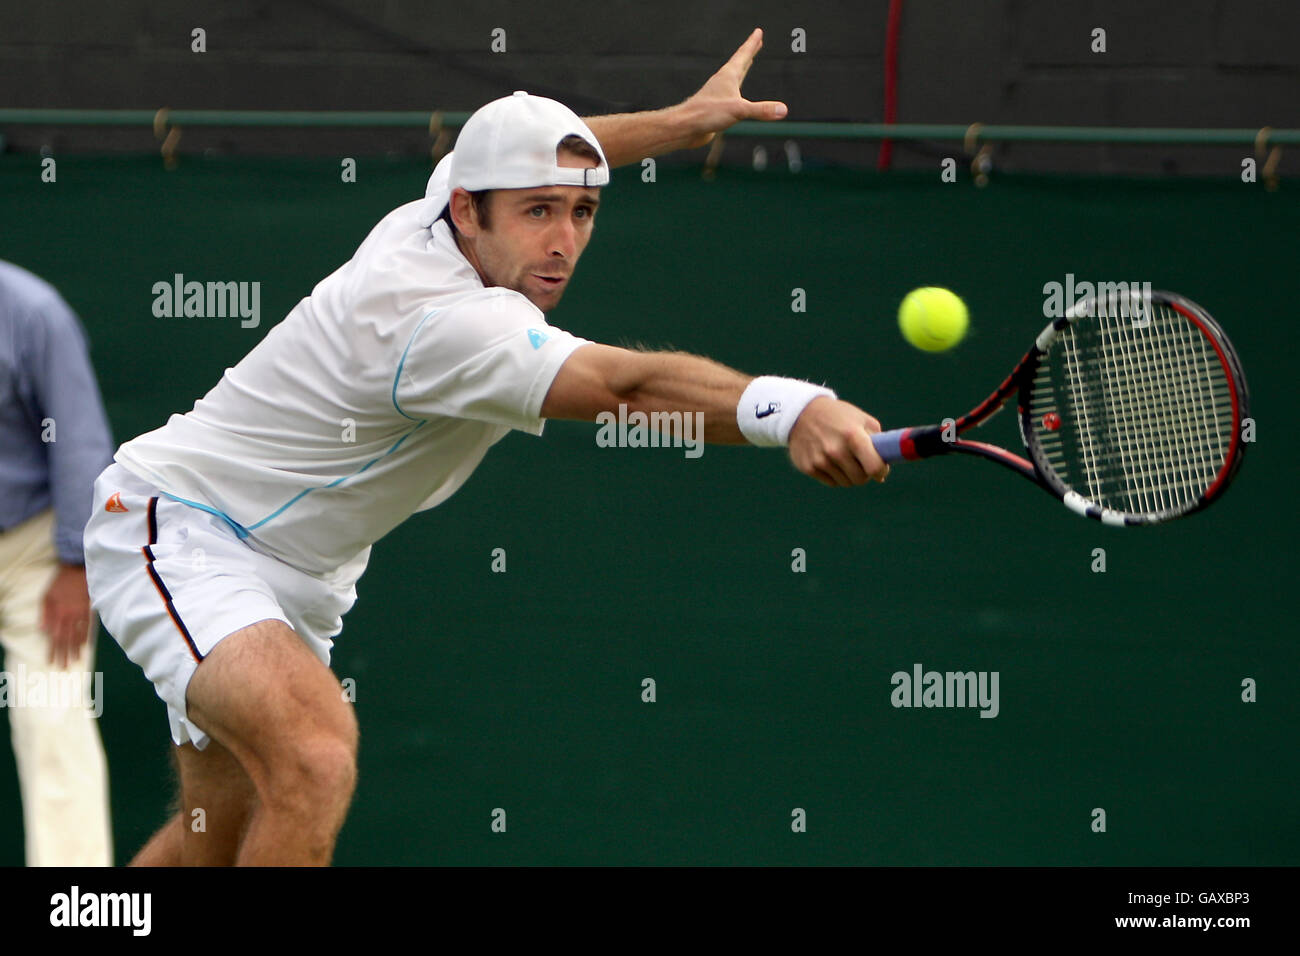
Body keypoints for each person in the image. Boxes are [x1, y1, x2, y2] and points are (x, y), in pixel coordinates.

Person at [83, 28, 888, 866]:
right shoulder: (445, 321)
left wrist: (682, 124)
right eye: (539, 212)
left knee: (213, 841)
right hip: (182, 528)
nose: (564, 240)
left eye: (582, 212)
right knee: (316, 759)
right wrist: (793, 408)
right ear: (470, 210)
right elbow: (626, 390)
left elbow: (544, 157)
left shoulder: (443, 207)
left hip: (301, 574)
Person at [0, 258, 114, 866]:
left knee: (52, 722)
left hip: (33, 550)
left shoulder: (32, 311)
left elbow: (79, 437)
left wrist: (75, 566)